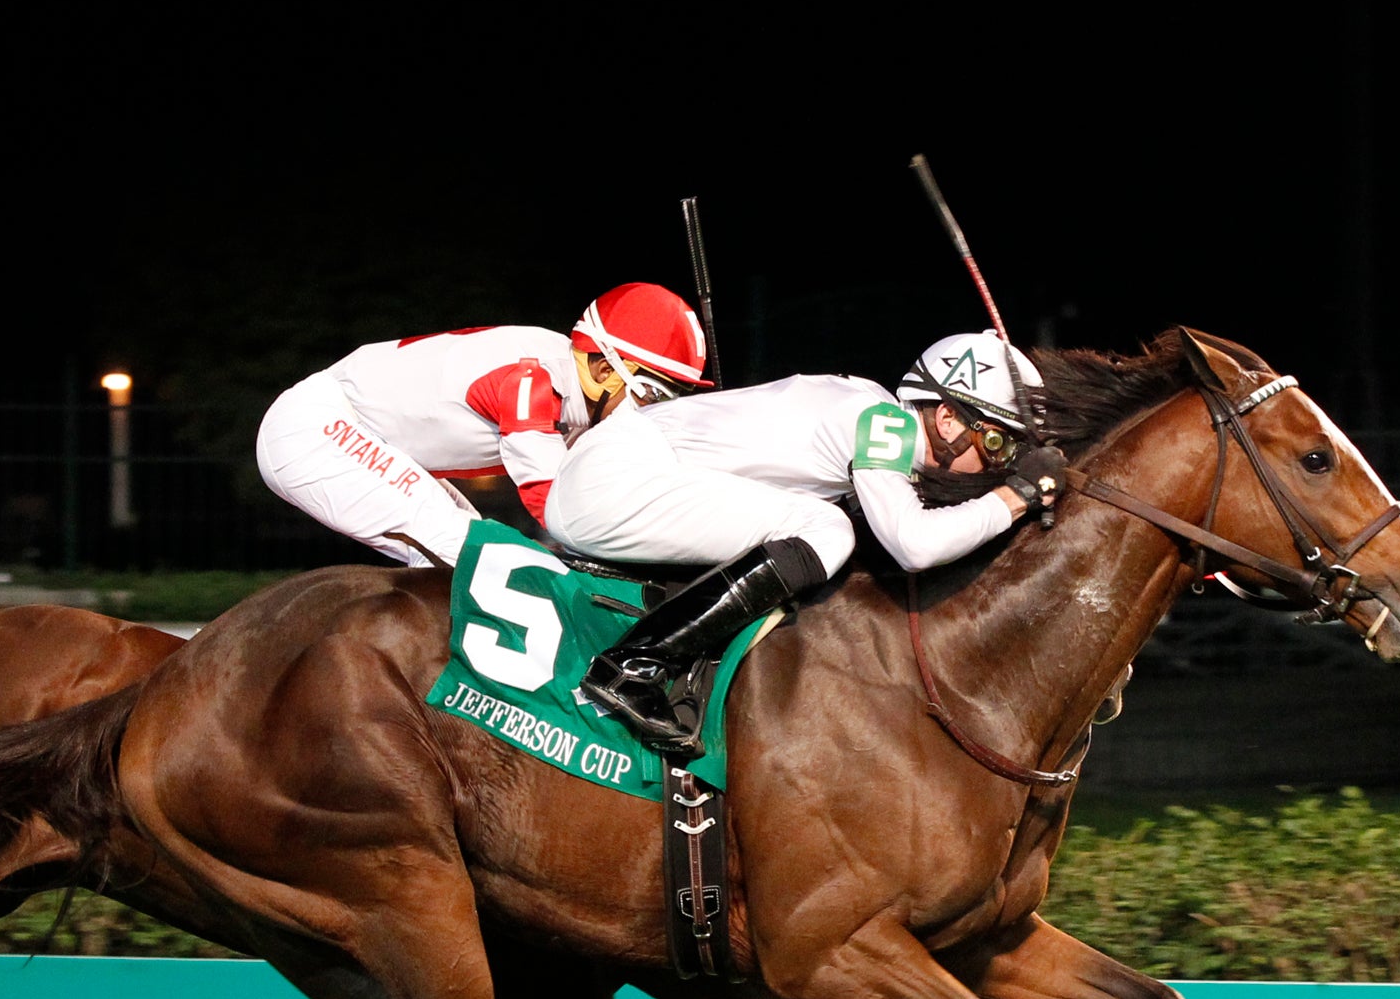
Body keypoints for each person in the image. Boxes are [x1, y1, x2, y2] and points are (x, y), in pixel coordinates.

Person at [545, 330, 1064, 750]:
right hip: (608, 481)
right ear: (948, 418)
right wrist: (1015, 497)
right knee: (827, 529)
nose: (995, 466)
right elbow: (916, 546)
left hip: (617, 474)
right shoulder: (884, 423)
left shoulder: (870, 413)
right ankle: (631, 668)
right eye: (996, 443)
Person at [255, 284, 710, 567]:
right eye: (652, 394)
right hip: (317, 430)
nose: (653, 412)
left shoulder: (574, 387)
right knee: (474, 556)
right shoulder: (533, 381)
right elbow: (560, 511)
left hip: (355, 433)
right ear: (605, 371)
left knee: (481, 551)